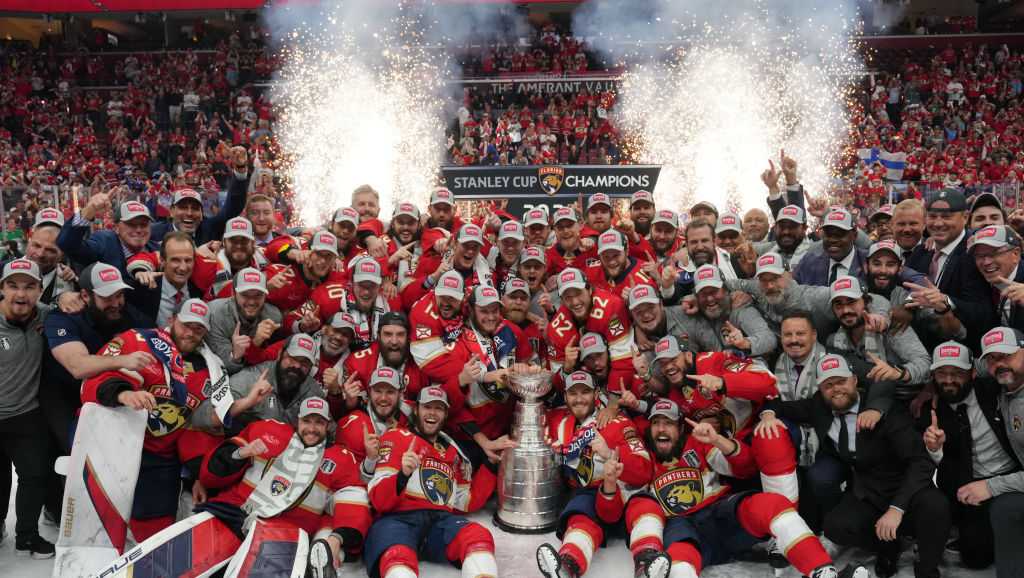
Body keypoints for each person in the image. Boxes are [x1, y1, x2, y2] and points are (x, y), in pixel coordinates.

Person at [615, 399, 868, 578]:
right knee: (680, 556)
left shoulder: (699, 443)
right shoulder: (641, 456)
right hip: (681, 528)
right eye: (656, 423)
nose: (661, 428)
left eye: (668, 423)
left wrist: (717, 439)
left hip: (720, 516)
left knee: (773, 505)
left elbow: (745, 467)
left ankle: (822, 571)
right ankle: (647, 565)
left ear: (680, 427)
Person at [80, 298, 258, 541]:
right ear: (172, 320)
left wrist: (199, 476)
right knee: (100, 527)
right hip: (113, 443)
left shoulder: (212, 369)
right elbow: (93, 381)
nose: (190, 333)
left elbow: (201, 422)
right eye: (186, 325)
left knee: (155, 533)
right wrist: (124, 393)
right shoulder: (137, 340)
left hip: (160, 455)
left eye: (199, 329)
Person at [759, 354, 951, 578]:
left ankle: (926, 565)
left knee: (936, 505)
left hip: (904, 487)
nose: (836, 389)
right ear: (820, 389)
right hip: (868, 491)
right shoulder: (818, 406)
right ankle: (887, 545)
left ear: (854, 381)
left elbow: (920, 461)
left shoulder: (884, 411)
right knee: (835, 526)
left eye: (841, 381)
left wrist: (896, 508)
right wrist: (768, 415)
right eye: (828, 385)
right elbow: (779, 404)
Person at [198, 397, 372, 576]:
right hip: (232, 512)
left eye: (319, 422)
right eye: (306, 421)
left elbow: (354, 506)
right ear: (298, 420)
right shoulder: (267, 430)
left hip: (283, 535)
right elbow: (210, 473)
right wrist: (240, 453)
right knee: (190, 566)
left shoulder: (340, 460)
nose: (312, 428)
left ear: (327, 425)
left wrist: (337, 538)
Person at [364, 386, 499, 578]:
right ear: (417, 410)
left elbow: (465, 501)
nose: (432, 413)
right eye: (427, 407)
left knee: (477, 535)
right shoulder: (395, 437)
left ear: (445, 415)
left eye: (439, 408)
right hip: (398, 520)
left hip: (440, 523)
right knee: (397, 556)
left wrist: (490, 465)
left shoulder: (453, 452)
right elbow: (379, 500)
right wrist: (402, 475)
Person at [536, 370, 653, 578]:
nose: (579, 399)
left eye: (585, 392)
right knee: (579, 513)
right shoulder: (557, 421)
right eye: (573, 393)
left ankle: (647, 563)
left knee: (645, 507)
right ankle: (567, 566)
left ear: (596, 393)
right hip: (589, 498)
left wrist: (609, 454)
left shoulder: (617, 422)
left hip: (624, 495)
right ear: (565, 397)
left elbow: (644, 470)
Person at [917, 340, 1020, 571]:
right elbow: (932, 466)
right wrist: (935, 449)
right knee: (975, 558)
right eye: (942, 373)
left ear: (973, 373)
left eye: (957, 373)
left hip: (1010, 474)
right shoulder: (929, 410)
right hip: (969, 485)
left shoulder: (994, 389)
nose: (949, 380)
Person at [0, 259, 54, 558]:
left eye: (29, 286)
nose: (21, 294)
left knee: (35, 475)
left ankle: (28, 536)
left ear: (40, 290)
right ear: (2, 288)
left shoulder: (46, 316)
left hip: (26, 415)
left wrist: (66, 298)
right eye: (13, 285)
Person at [827, 275, 929, 405]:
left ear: (865, 302)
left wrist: (898, 373)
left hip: (904, 399)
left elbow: (924, 363)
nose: (846, 310)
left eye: (851, 302)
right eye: (838, 305)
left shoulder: (891, 327)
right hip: (867, 400)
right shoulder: (835, 340)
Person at [971, 327, 1024, 577]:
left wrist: (991, 486)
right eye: (993, 358)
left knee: (1004, 506)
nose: (999, 364)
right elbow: (969, 367)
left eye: (1006, 355)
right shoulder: (1007, 384)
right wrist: (930, 387)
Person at [228, 333, 325, 428]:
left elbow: (330, 432)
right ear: (280, 354)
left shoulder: (314, 392)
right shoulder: (251, 378)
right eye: (292, 358)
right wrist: (247, 402)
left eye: (305, 363)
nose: (297, 366)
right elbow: (215, 417)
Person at [58, 194, 158, 277]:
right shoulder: (104, 244)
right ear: (116, 228)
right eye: (131, 224)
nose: (138, 230)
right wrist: (87, 212)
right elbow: (67, 244)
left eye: (144, 225)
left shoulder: (158, 249)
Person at [206, 267, 284, 374]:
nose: (251, 301)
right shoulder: (215, 315)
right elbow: (222, 368)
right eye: (245, 295)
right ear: (234, 293)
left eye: (258, 295)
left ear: (266, 295)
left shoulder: (273, 316)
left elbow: (272, 360)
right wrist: (236, 356)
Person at [126, 231, 203, 327]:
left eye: (188, 260)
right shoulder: (142, 290)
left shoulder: (199, 291)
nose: (183, 267)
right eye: (175, 260)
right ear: (162, 261)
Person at [793, 209, 866, 287]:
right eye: (828, 234)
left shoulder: (868, 262)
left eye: (839, 234)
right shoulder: (808, 263)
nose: (832, 240)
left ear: (854, 235)